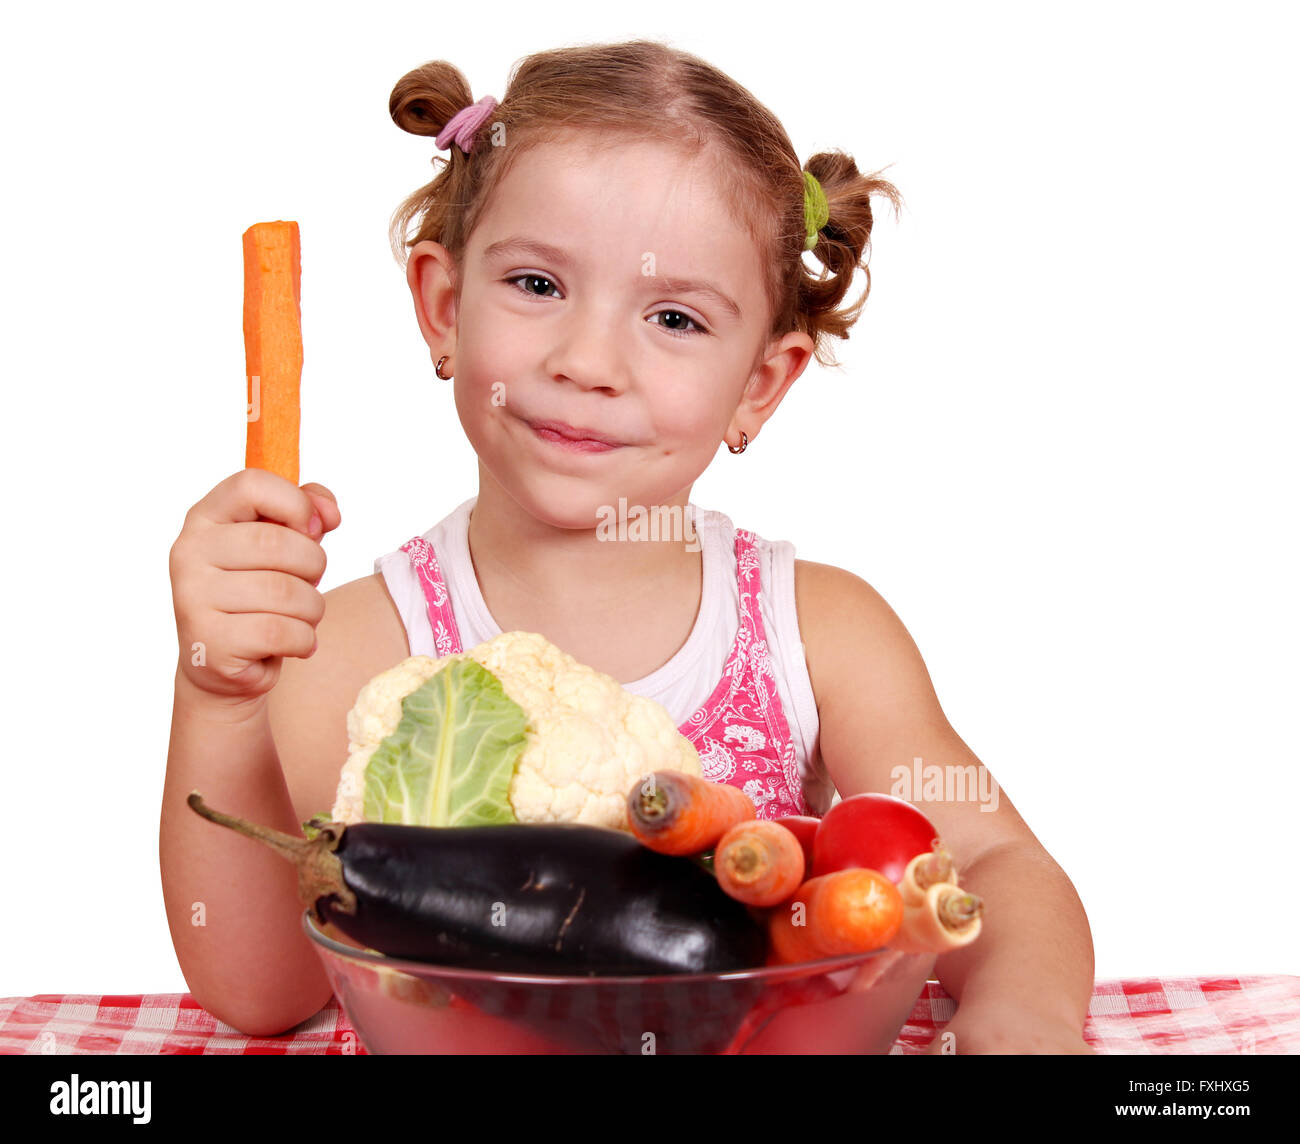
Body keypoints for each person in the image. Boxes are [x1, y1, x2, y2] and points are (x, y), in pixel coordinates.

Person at [161, 38, 1094, 1052]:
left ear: (759, 385)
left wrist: (1020, 1013)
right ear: (441, 306)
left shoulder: (818, 633)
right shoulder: (346, 648)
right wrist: (218, 699)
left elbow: (996, 866)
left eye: (674, 316)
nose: (589, 360)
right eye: (537, 285)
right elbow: (263, 991)